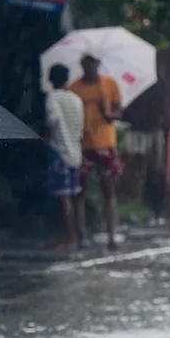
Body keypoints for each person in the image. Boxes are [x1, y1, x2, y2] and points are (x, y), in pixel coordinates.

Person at [69, 49, 124, 249]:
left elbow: (118, 112)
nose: (90, 66)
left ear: (98, 64)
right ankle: (81, 234)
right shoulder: (74, 88)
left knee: (108, 189)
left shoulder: (109, 84)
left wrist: (107, 113)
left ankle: (112, 235)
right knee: (79, 190)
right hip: (83, 144)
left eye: (93, 63)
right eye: (86, 63)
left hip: (105, 143)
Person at [45, 64, 87, 250]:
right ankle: (81, 235)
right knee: (76, 194)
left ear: (51, 79)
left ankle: (70, 237)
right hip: (75, 152)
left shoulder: (52, 98)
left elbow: (52, 120)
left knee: (63, 197)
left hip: (59, 151)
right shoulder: (77, 99)